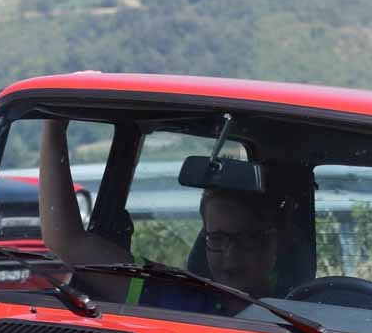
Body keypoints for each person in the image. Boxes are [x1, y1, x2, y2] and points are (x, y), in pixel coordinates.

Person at [38, 117, 281, 306]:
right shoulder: (181, 299)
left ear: (272, 242)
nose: (230, 256)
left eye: (245, 239)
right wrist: (54, 125)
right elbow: (67, 240)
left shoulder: (305, 315)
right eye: (217, 239)